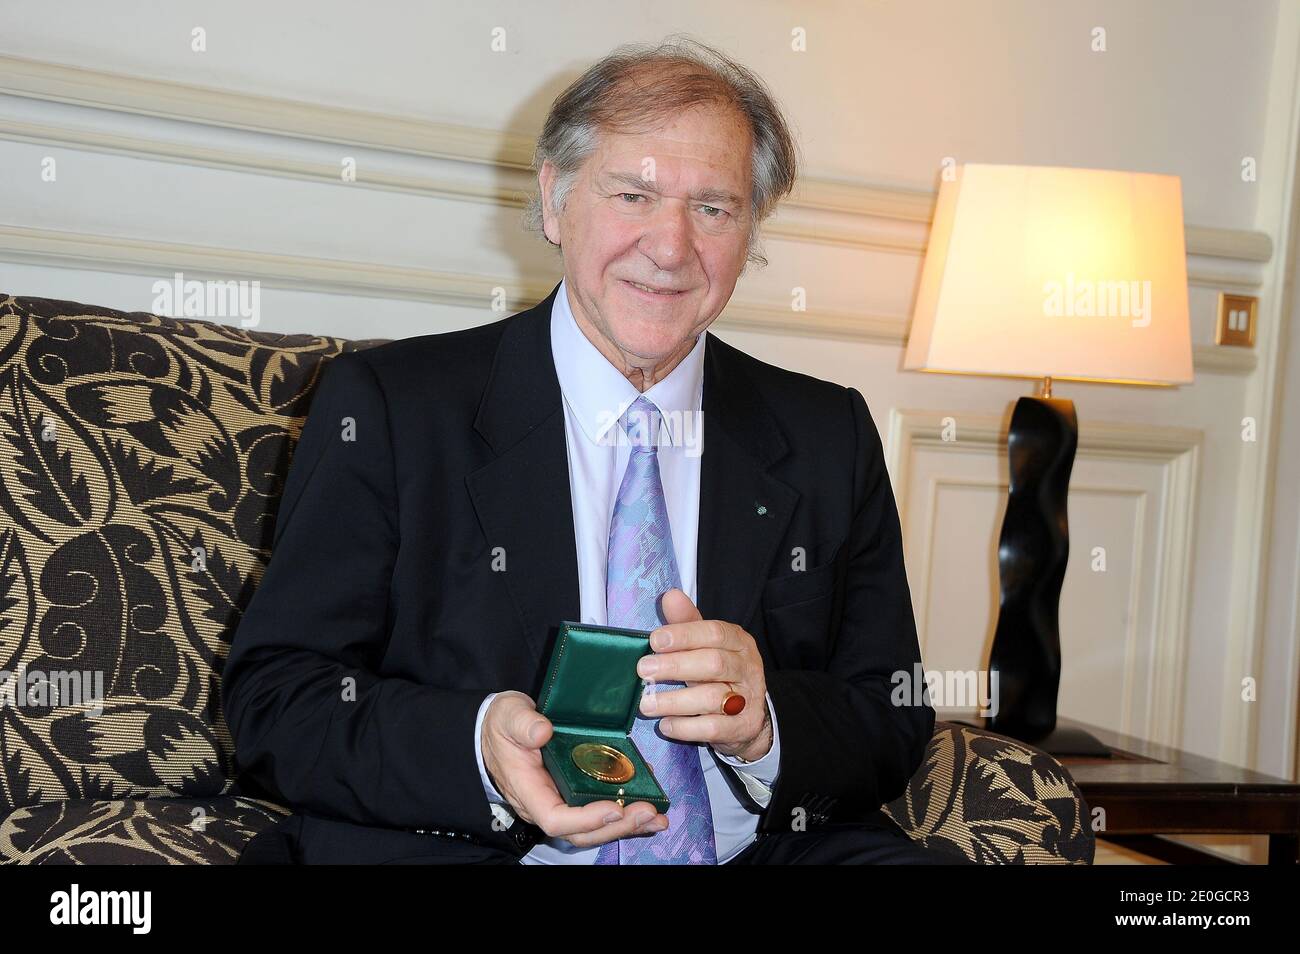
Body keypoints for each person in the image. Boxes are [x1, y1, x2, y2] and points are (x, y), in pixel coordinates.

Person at [224, 35, 968, 865]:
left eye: (713, 208)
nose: (671, 245)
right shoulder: (392, 409)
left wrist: (766, 725)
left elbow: (890, 716)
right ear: (555, 201)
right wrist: (479, 749)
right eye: (634, 195)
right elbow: (277, 700)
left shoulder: (827, 434)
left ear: (750, 231)